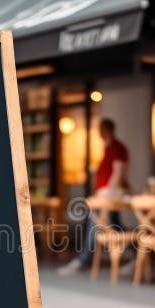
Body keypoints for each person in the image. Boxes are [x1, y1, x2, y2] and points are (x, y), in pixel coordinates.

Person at [58, 118, 129, 276]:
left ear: (107, 129)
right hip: (105, 194)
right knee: (115, 226)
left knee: (95, 222)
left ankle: (83, 261)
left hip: (108, 195)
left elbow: (118, 172)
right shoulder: (108, 148)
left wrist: (108, 193)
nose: (99, 132)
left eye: (101, 129)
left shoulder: (116, 147)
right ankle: (135, 254)